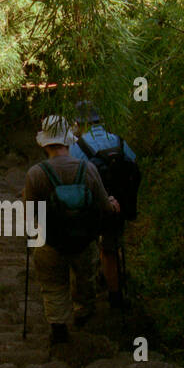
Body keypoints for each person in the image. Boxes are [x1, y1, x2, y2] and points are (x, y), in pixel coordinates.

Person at [22, 115, 118, 346]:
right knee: (84, 279)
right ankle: (83, 313)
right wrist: (114, 206)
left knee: (53, 284)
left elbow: (29, 213)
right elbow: (104, 207)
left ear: (44, 143)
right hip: (84, 241)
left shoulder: (36, 173)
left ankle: (58, 327)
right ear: (69, 141)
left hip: (50, 241)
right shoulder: (88, 169)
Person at [70, 101, 140, 310]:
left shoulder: (77, 147)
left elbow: (72, 176)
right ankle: (115, 295)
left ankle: (85, 298)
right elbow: (134, 167)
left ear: (79, 123)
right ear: (100, 120)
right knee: (111, 248)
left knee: (84, 249)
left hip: (90, 209)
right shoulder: (118, 141)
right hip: (117, 207)